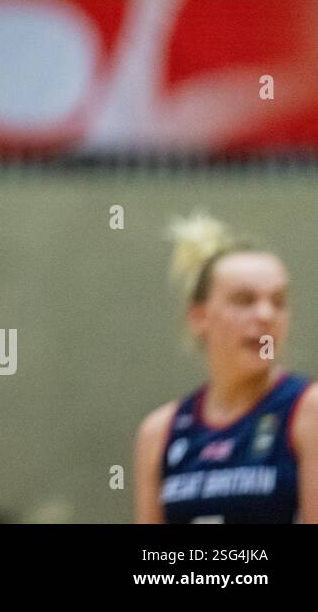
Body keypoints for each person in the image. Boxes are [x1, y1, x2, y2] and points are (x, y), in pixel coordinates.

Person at [134, 211, 318, 523]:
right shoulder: (159, 432)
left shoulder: (308, 411)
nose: (265, 314)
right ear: (199, 317)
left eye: (278, 301)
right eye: (244, 300)